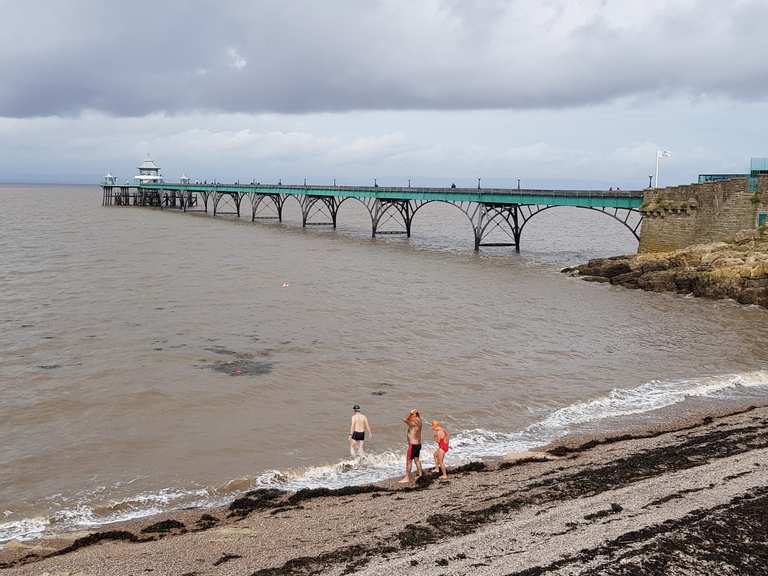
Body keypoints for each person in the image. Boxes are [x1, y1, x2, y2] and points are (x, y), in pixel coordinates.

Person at [398, 409, 423, 483]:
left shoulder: (413, 423)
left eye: (412, 414)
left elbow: (405, 419)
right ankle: (420, 475)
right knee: (416, 460)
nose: (410, 415)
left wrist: (410, 415)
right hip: (418, 444)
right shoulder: (419, 420)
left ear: (415, 415)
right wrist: (413, 414)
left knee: (408, 461)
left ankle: (407, 477)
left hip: (413, 445)